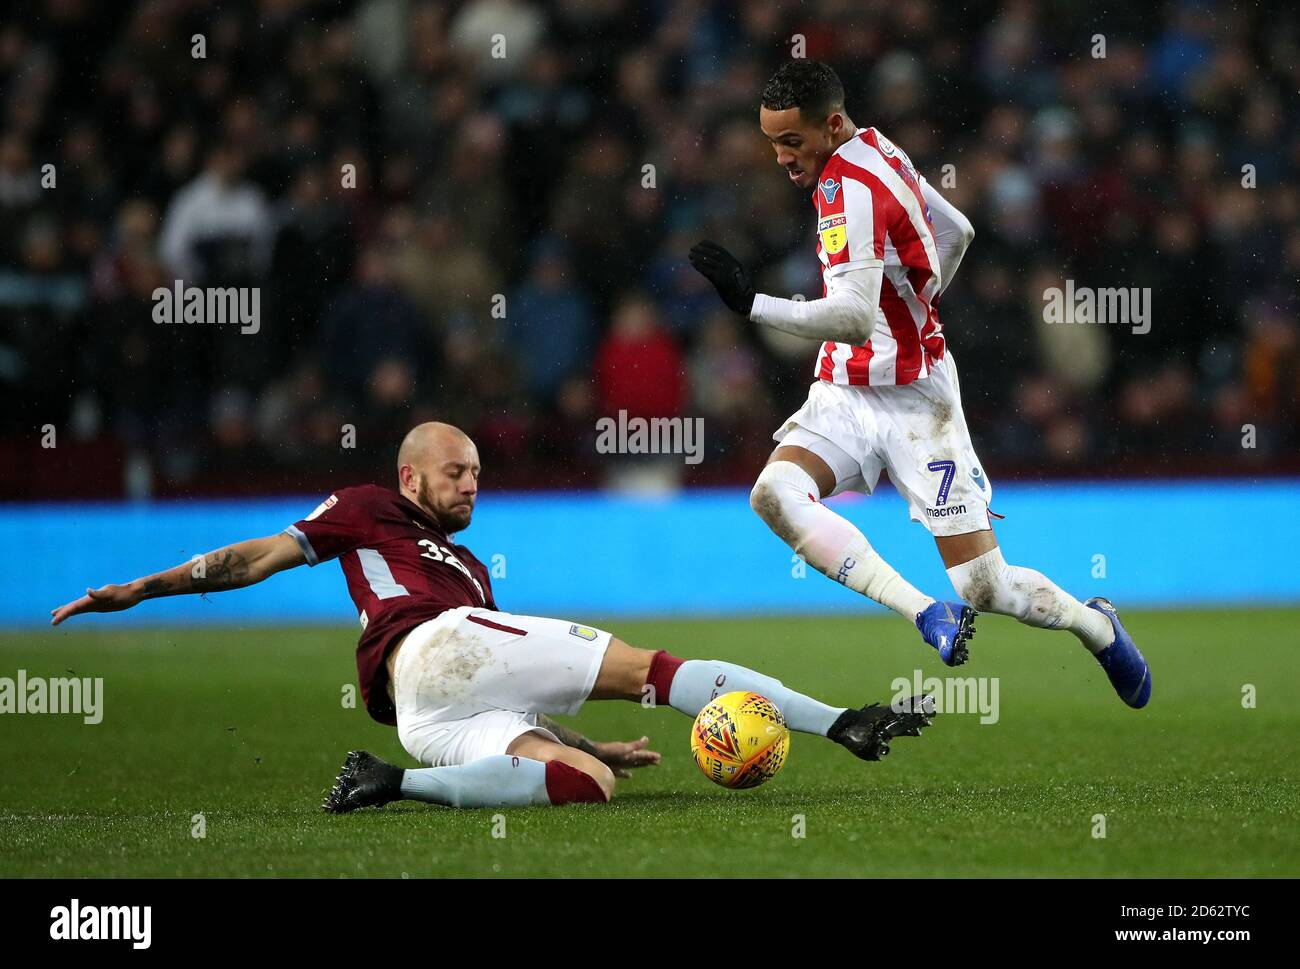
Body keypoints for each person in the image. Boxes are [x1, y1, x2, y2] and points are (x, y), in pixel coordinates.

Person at [50, 422, 936, 811]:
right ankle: (841, 721)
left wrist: (590, 744)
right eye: (455, 472)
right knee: (654, 672)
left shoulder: (468, 567)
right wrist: (142, 589)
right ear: (410, 477)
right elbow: (250, 558)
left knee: (583, 784)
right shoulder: (367, 507)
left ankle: (389, 783)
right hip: (429, 644)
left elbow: (506, 687)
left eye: (477, 471)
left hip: (421, 715)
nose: (471, 483)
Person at [688, 61, 1150, 708]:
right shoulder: (880, 147)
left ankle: (1096, 625)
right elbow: (957, 230)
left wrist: (752, 305)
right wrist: (916, 308)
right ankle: (924, 611)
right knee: (774, 493)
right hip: (847, 390)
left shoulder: (844, 188)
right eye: (772, 142)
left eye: (791, 141)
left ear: (832, 124)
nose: (781, 158)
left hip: (915, 402)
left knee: (986, 587)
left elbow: (853, 318)